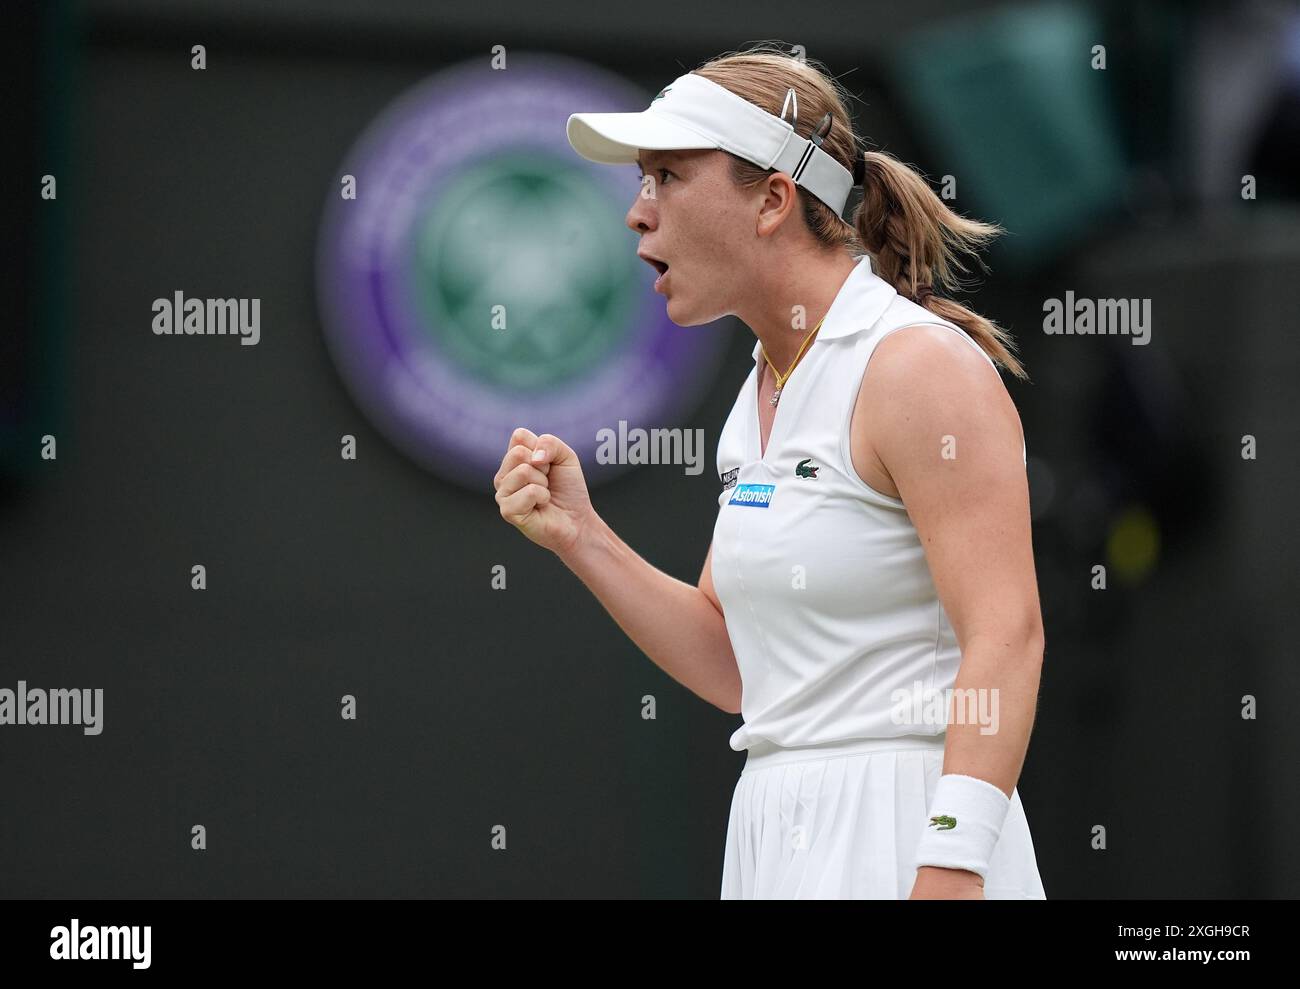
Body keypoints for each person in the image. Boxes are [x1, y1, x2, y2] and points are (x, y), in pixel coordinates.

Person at [494, 45, 1046, 899]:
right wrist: (581, 536)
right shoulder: (763, 389)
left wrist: (951, 862)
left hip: (912, 838)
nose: (638, 214)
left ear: (773, 201)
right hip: (772, 841)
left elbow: (1006, 635)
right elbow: (738, 667)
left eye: (667, 177)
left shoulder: (915, 368)